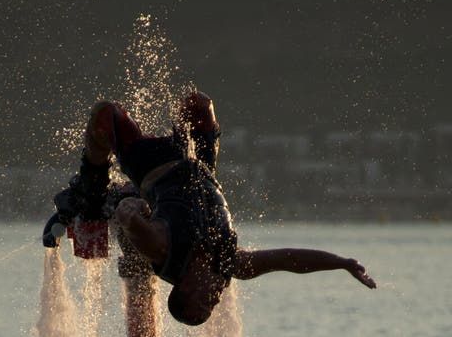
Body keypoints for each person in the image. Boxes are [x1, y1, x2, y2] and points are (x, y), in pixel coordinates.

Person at [50, 91, 376, 324]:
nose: (217, 298)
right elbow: (289, 260)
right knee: (199, 103)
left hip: (152, 165)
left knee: (105, 115)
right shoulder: (229, 263)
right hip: (198, 165)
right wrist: (342, 263)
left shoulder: (162, 249)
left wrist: (129, 206)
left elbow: (129, 220)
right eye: (213, 304)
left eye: (207, 300)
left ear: (186, 287)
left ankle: (89, 189)